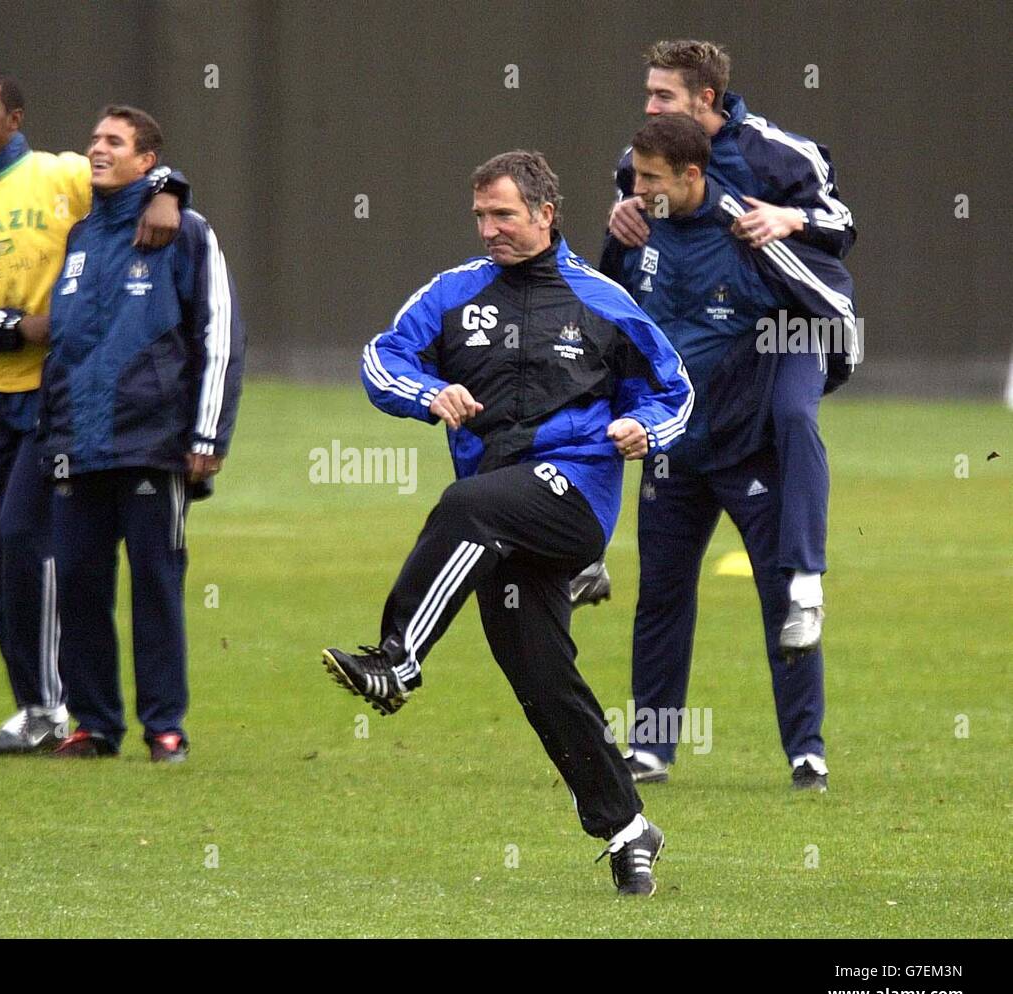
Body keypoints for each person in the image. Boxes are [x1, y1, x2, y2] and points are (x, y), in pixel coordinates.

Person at [323, 151, 693, 895]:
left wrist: (644, 430)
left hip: (574, 495)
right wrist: (427, 392)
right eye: (481, 217)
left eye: (504, 216)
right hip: (495, 526)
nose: (489, 229)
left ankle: (398, 657)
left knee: (466, 502)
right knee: (544, 683)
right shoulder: (454, 292)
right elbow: (380, 357)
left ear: (546, 215)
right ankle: (628, 829)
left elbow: (675, 388)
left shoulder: (605, 300)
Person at [0, 70, 190, 754]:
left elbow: (138, 174)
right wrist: (16, 326)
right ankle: (38, 702)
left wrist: (171, 192)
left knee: (26, 540)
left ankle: (53, 708)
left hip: (60, 396)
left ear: (15, 117)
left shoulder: (57, 174)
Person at [573, 38, 858, 655]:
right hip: (705, 326)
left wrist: (791, 220)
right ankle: (586, 556)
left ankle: (806, 583)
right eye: (647, 92)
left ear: (705, 98)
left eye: (662, 94)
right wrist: (621, 213)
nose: (649, 106)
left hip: (791, 322)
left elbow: (843, 226)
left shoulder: (779, 154)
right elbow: (636, 201)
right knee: (601, 399)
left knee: (792, 416)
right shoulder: (641, 156)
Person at [604, 115, 857, 790]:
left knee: (782, 601)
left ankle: (807, 753)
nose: (636, 186)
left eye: (650, 177)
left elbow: (829, 295)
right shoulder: (635, 229)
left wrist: (822, 373)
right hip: (673, 448)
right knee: (659, 594)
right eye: (634, 174)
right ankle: (652, 750)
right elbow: (612, 315)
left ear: (692, 175)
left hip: (748, 448)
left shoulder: (750, 232)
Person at [39, 106, 244, 763]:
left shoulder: (185, 231)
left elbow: (220, 334)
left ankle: (165, 725)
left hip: (153, 441)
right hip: (78, 443)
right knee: (77, 582)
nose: (96, 148)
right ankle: (95, 724)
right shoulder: (79, 237)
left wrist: (207, 435)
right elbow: (68, 345)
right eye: (94, 137)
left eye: (114, 141)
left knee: (156, 582)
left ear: (146, 160)